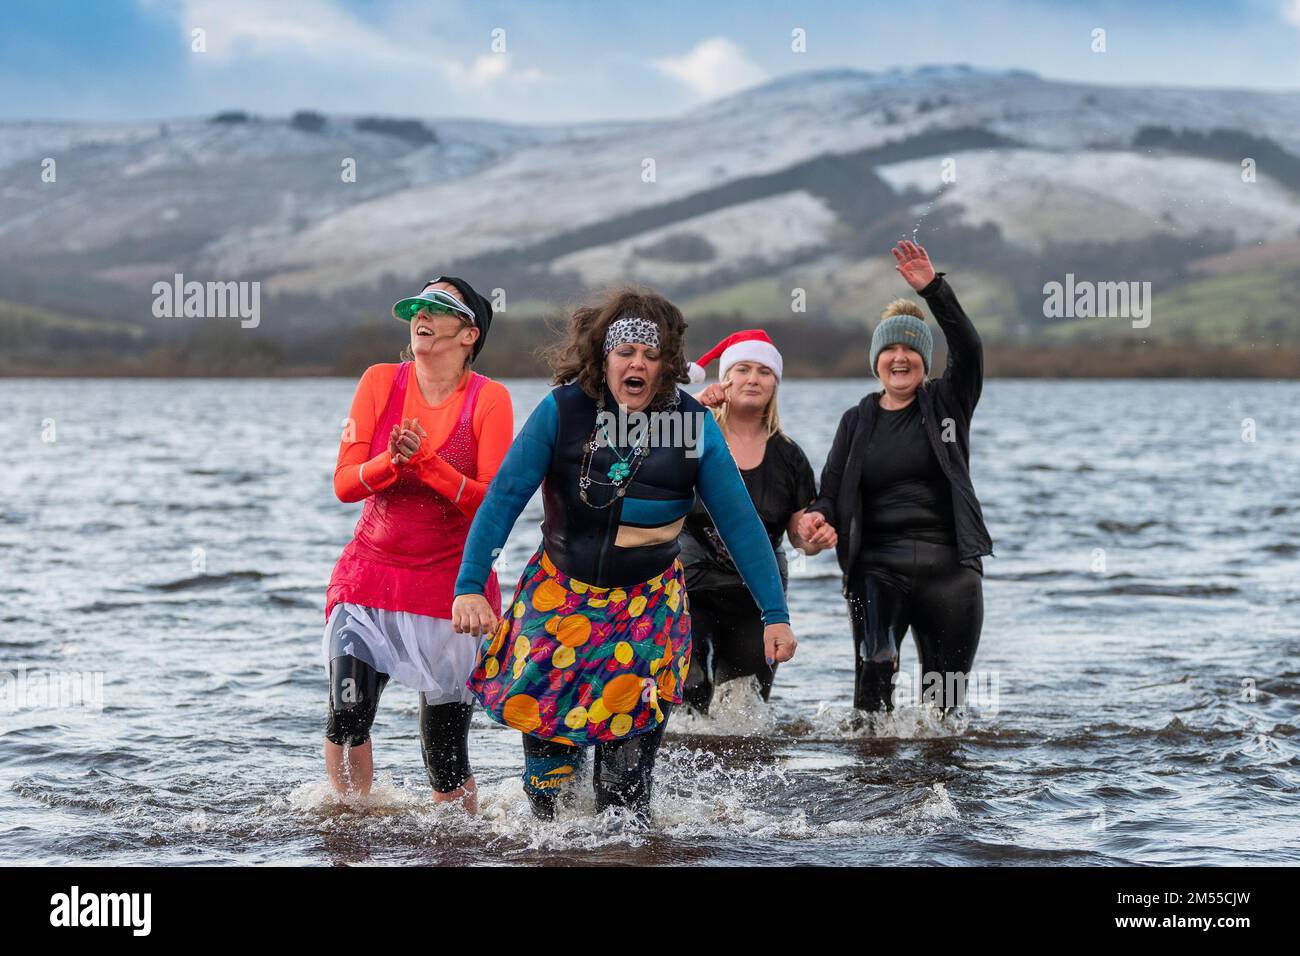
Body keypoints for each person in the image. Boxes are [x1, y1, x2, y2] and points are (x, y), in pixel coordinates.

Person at [451, 287, 797, 822]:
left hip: (646, 615)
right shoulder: (563, 412)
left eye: (651, 355)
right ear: (604, 358)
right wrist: (471, 585)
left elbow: (743, 527)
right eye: (626, 352)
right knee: (548, 793)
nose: (637, 363)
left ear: (667, 366)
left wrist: (775, 615)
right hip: (556, 607)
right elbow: (501, 502)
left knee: (624, 800)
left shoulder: (692, 426)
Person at [322, 277, 513, 813]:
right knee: (346, 713)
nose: (421, 315)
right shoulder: (381, 380)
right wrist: (391, 462)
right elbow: (343, 484)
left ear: (469, 333)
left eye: (438, 308)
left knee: (446, 751)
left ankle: (457, 841)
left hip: (449, 589)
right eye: (417, 307)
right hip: (368, 579)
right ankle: (348, 823)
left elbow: (492, 505)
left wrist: (429, 464)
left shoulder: (489, 399)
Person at [799, 241, 993, 714]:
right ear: (876, 360)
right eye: (890, 349)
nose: (900, 358)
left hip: (950, 571)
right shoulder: (856, 420)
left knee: (944, 708)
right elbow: (830, 491)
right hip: (876, 570)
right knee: (875, 674)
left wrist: (933, 289)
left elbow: (968, 347)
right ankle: (871, 782)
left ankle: (940, 785)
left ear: (925, 361)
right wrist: (818, 519)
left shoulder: (949, 405)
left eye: (911, 349)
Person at [677, 330, 832, 714]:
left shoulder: (789, 455)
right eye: (742, 369)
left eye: (764, 371)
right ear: (724, 377)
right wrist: (693, 406)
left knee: (744, 706)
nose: (752, 378)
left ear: (775, 384)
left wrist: (813, 536)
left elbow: (800, 537)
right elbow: (643, 446)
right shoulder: (691, 434)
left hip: (756, 594)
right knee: (688, 692)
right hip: (689, 583)